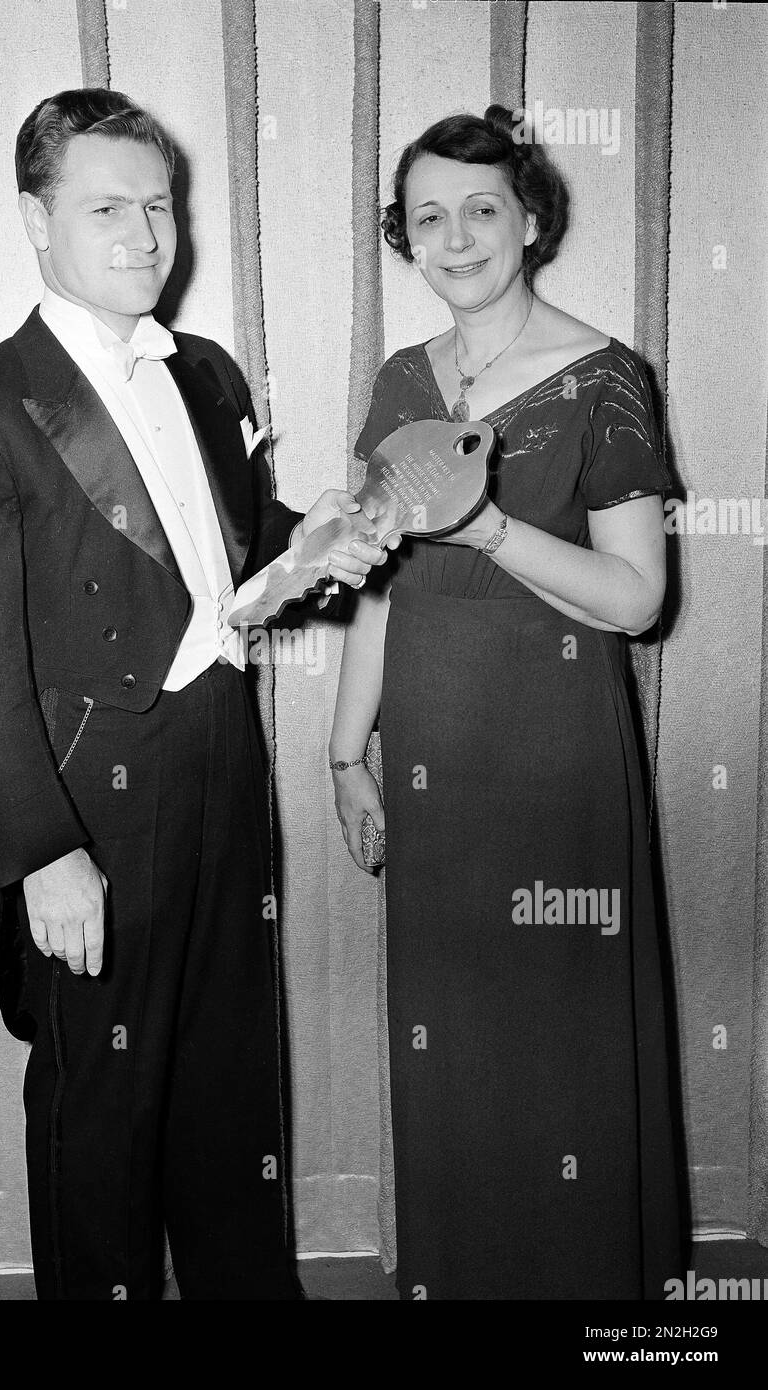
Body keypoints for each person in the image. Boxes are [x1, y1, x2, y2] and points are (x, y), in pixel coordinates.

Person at [0, 87, 389, 1301]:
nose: (143, 234)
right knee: (101, 1110)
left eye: (157, 206)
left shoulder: (207, 372)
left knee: (230, 1084)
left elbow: (218, 548)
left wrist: (311, 538)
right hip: (90, 801)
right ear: (35, 217)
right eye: (105, 206)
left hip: (222, 757)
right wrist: (43, 852)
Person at [330, 105, 684, 1300]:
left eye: (481, 207)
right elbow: (374, 580)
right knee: (455, 1039)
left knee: (556, 1040)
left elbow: (637, 599)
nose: (456, 235)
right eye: (426, 216)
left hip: (553, 760)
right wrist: (345, 753)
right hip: (432, 753)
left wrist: (488, 529)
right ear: (405, 239)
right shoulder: (399, 380)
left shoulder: (605, 377)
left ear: (529, 220)